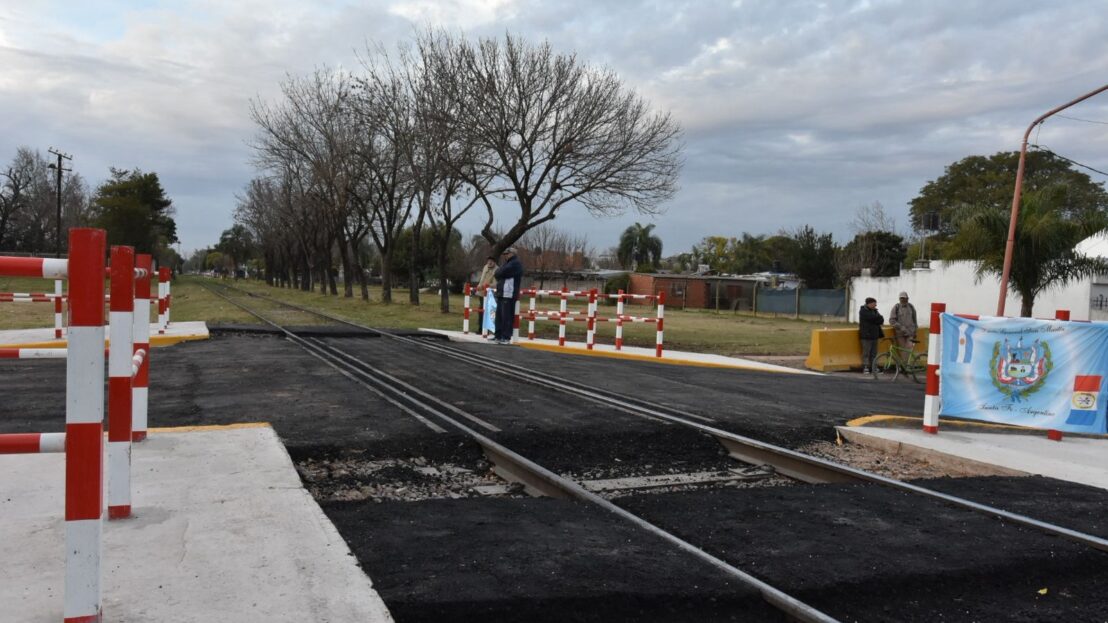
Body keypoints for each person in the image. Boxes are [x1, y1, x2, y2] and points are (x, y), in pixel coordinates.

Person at [493, 247, 524, 344]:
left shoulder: (516, 264)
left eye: (507, 254)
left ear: (512, 254)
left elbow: (502, 272)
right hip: (502, 293)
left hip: (509, 293)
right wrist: (500, 273)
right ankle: (498, 336)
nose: (505, 256)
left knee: (507, 317)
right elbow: (497, 273)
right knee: (499, 316)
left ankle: (506, 337)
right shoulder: (506, 263)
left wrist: (500, 273)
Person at [858, 297, 884, 374]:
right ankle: (865, 367)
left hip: (875, 335)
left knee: (874, 353)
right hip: (866, 335)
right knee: (866, 352)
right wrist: (877, 318)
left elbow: (881, 320)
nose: (875, 305)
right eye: (874, 303)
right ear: (869, 303)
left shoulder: (875, 311)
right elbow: (871, 318)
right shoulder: (863, 311)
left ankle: (874, 367)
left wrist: (877, 318)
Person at [476, 256, 498, 337]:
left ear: (494, 262)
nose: (489, 262)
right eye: (488, 261)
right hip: (482, 292)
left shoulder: (497, 270)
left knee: (490, 312)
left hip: (491, 293)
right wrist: (479, 285)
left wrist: (488, 286)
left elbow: (496, 284)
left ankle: (489, 330)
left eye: (491, 261)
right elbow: (482, 278)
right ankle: (480, 329)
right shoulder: (485, 267)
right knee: (481, 310)